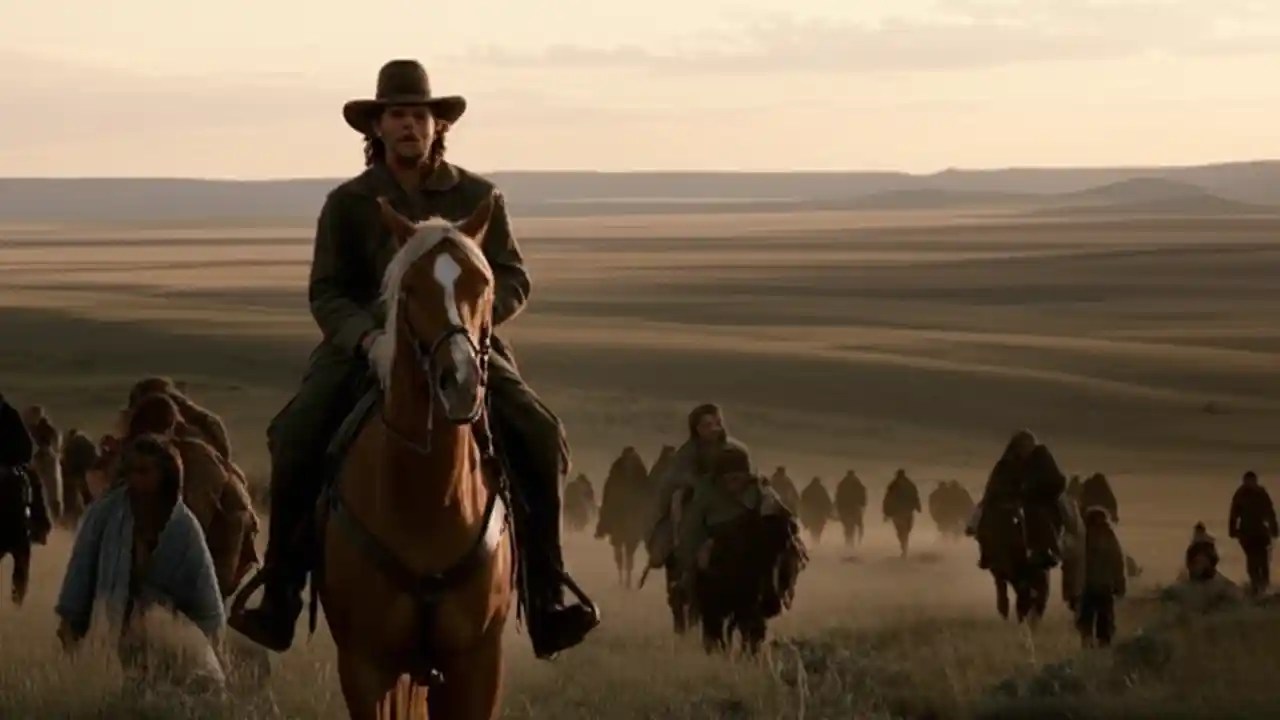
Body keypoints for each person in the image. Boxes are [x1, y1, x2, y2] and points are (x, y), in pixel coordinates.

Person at [228, 59, 597, 659]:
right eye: (396, 115)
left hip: (459, 342)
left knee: (538, 433)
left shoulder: (479, 197)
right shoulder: (349, 203)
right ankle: (280, 595)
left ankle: (548, 593)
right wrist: (367, 339)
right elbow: (328, 291)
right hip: (366, 348)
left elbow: (511, 276)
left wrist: (469, 323)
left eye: (419, 115)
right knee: (294, 435)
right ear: (376, 127)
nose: (408, 125)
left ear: (437, 125)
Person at [55, 435, 225, 685]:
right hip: (115, 629)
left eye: (144, 471)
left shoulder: (183, 527)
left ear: (166, 474)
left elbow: (206, 601)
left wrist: (201, 648)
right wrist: (71, 624)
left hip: (168, 639)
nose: (135, 479)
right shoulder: (103, 514)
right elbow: (80, 571)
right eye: (131, 470)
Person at [976, 429, 1068, 570]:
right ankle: (987, 553)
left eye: (1026, 445)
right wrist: (995, 498)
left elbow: (1056, 482)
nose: (1023, 449)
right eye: (1021, 446)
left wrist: (1032, 490)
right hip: (1009, 501)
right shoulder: (1006, 463)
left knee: (1037, 515)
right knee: (987, 519)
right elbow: (994, 485)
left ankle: (1044, 550)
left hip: (1036, 501)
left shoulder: (1041, 459)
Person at [1, 393, 51, 605]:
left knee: (29, 480)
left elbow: (25, 449)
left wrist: (8, 464)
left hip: (10, 473)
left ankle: (40, 524)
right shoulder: (9, 413)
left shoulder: (8, 415)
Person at [1076, 507, 1125, 648]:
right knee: (1101, 623)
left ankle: (1092, 648)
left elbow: (1117, 561)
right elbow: (1118, 561)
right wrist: (1119, 583)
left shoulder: (1084, 537)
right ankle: (1097, 648)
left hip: (1093, 586)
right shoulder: (1107, 536)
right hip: (1098, 586)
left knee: (1091, 624)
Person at [1228, 471, 1277, 595]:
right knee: (1252, 560)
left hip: (1260, 532)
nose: (1250, 483)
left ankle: (1264, 585)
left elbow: (1270, 512)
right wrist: (1232, 530)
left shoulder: (1261, 493)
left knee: (1263, 560)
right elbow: (1234, 514)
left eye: (1252, 481)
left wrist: (1274, 528)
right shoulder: (1240, 494)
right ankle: (1255, 585)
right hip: (1246, 532)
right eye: (1247, 481)